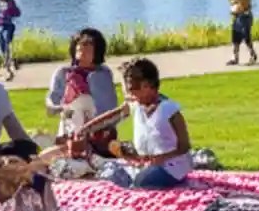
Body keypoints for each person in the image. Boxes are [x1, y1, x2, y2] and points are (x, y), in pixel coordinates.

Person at [72, 58, 193, 189]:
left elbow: (184, 146)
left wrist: (162, 157)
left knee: (142, 182)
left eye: (133, 90)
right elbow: (112, 116)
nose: (130, 95)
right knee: (111, 175)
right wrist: (85, 129)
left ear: (147, 86)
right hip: (145, 162)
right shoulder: (136, 105)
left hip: (172, 167)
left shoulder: (170, 110)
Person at [45, 29, 120, 152]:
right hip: (70, 129)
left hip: (99, 134)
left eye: (88, 50)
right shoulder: (63, 72)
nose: (82, 54)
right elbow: (52, 102)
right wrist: (60, 108)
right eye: (79, 50)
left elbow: (109, 107)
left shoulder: (103, 74)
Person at [227, 0, 258, 66]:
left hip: (244, 16)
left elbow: (245, 2)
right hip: (236, 16)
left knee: (246, 37)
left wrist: (239, 2)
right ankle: (235, 58)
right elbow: (231, 0)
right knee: (235, 38)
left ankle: (253, 55)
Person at [0, 0, 22, 80]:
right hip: (1, 27)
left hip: (9, 26)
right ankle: (10, 62)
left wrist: (11, 10)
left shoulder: (10, 2)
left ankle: (9, 71)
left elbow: (17, 13)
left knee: (6, 46)